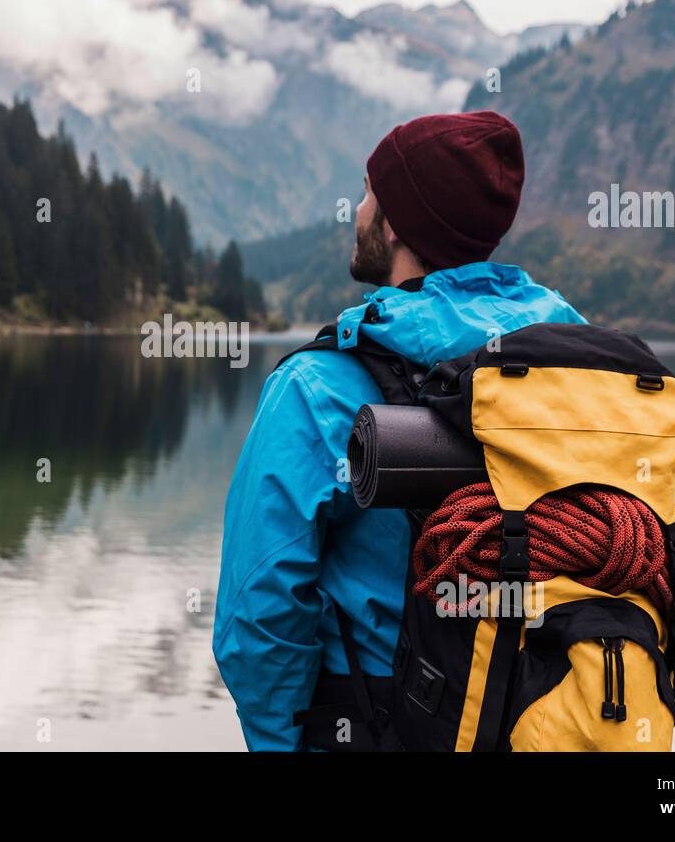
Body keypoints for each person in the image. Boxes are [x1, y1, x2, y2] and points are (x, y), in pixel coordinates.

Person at [212, 111, 587, 751]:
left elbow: (259, 611)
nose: (356, 213)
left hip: (371, 725)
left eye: (367, 195)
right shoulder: (576, 368)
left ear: (396, 224)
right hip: (540, 721)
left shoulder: (318, 387)